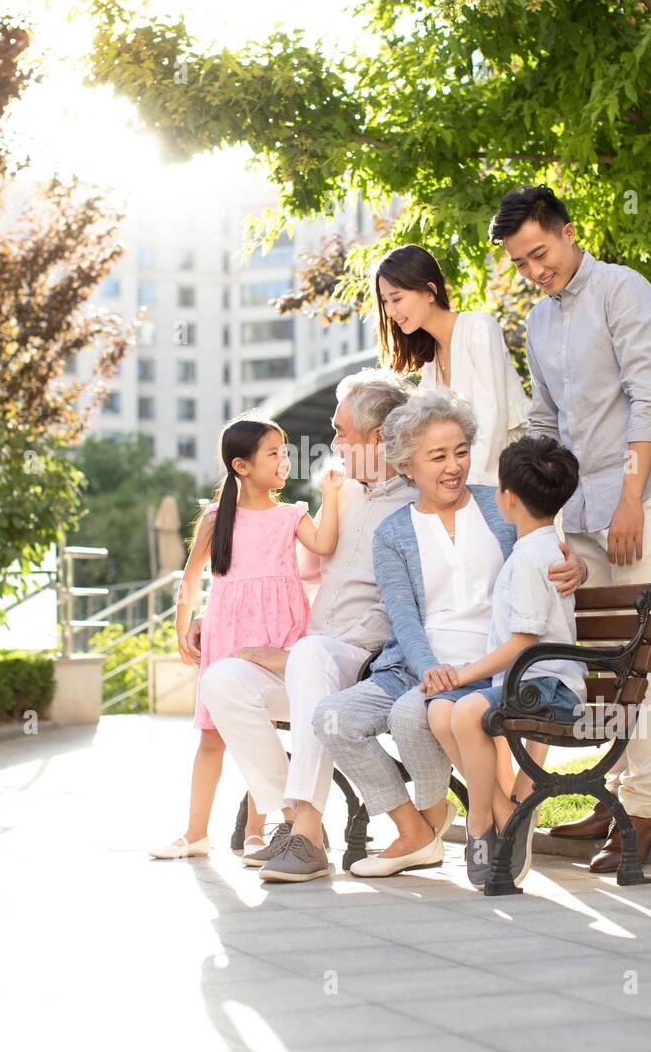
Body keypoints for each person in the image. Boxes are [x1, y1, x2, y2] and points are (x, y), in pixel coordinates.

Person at [489, 184, 651, 871]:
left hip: (639, 498)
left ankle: (642, 806)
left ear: (568, 232)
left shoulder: (625, 291)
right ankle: (611, 793)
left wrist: (630, 496)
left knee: (640, 652)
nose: (534, 271)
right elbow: (546, 421)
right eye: (520, 263)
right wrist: (541, 520)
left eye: (539, 253)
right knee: (588, 651)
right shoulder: (539, 322)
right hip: (576, 513)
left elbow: (648, 399)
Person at [316, 389, 586, 879]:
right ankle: (419, 831)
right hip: (419, 670)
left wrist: (578, 567)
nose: (453, 466)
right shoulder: (393, 533)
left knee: (414, 715)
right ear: (406, 464)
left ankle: (476, 818)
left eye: (460, 451)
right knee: (332, 718)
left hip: (492, 668)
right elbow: (404, 619)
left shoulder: (502, 507)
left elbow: (546, 556)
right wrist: (429, 669)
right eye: (437, 456)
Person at [188, 370, 419, 883]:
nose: (331, 442)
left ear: (377, 438)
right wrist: (217, 610)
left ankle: (310, 833)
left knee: (311, 655)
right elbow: (297, 569)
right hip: (312, 661)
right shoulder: (343, 493)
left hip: (368, 667)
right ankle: (291, 820)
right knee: (221, 680)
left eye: (341, 432)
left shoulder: (417, 503)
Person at [148, 416, 342, 860]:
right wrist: (184, 629)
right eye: (272, 453)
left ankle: (259, 831)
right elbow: (191, 578)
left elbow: (325, 544)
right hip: (226, 631)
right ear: (241, 465)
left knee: (264, 728)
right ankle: (196, 833)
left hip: (275, 633)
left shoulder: (292, 514)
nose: (284, 460)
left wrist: (330, 497)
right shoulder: (217, 520)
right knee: (211, 738)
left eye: (285, 452)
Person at [424, 435, 586, 888]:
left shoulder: (535, 557)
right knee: (441, 712)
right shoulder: (536, 550)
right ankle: (505, 810)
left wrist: (463, 674)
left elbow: (523, 643)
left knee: (468, 708)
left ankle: (480, 823)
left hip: (549, 688)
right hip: (526, 684)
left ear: (507, 498)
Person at [375, 243, 529, 483]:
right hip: (462, 485)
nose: (390, 311)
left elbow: (492, 423)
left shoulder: (478, 328)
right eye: (385, 301)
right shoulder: (431, 360)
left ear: (429, 291)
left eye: (396, 298)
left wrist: (467, 492)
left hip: (508, 479)